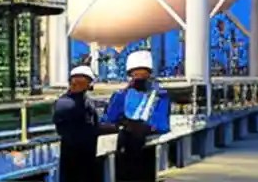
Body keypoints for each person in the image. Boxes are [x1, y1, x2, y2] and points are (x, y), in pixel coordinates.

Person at [101, 50, 171, 181]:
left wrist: (145, 127)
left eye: (143, 73)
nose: (139, 76)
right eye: (136, 73)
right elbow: (109, 119)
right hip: (124, 149)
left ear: (149, 73)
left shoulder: (160, 95)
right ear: (130, 74)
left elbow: (162, 124)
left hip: (147, 148)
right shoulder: (120, 95)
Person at [54, 65, 111, 181]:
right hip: (77, 157)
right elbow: (88, 128)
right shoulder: (68, 104)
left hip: (85, 156)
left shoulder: (82, 101)